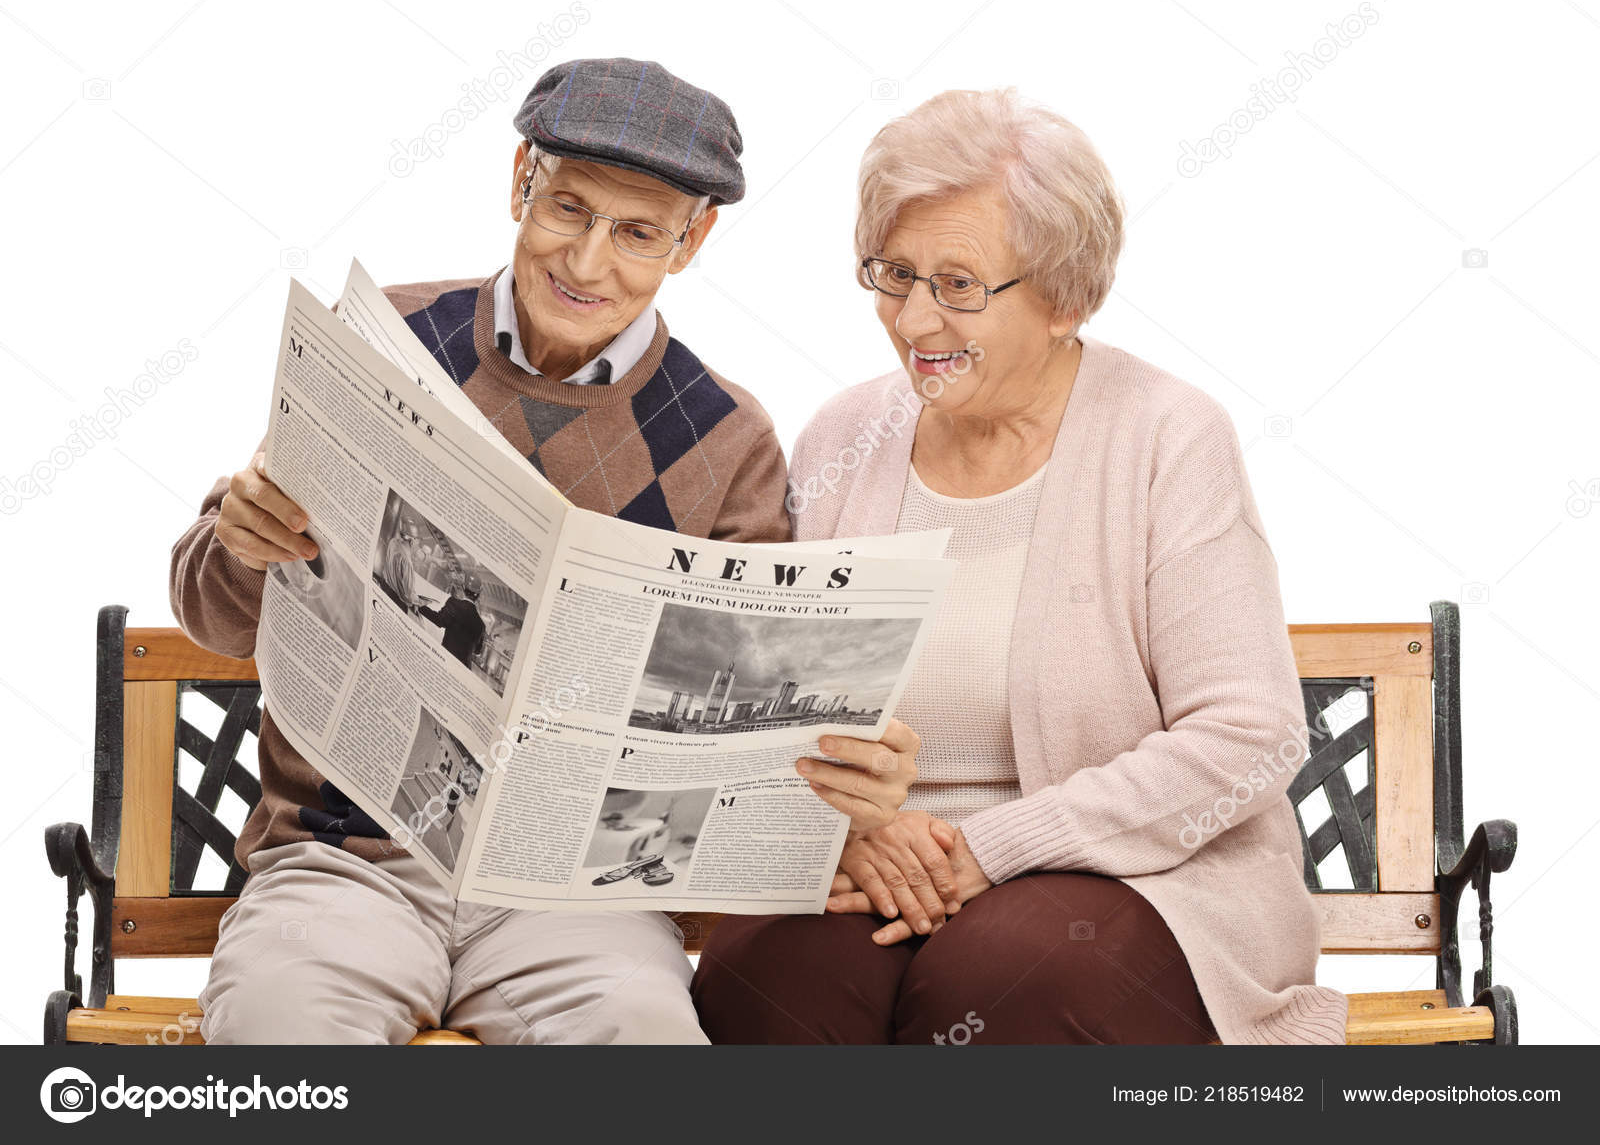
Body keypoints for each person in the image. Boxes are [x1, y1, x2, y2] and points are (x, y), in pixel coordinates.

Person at [170, 57, 920, 1045]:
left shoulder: (728, 435)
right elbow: (219, 617)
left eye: (638, 232)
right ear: (520, 179)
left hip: (572, 893)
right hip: (347, 861)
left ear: (691, 242)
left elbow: (742, 738)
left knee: (645, 1036)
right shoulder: (383, 340)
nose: (588, 262)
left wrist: (839, 775)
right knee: (282, 1030)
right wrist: (238, 537)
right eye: (568, 209)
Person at [692, 87, 1348, 1046]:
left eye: (959, 284)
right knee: (764, 975)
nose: (915, 321)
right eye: (894, 273)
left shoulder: (1167, 437)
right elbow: (790, 711)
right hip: (876, 865)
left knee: (1006, 979)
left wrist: (987, 851)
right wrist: (860, 832)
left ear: (1066, 298)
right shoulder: (846, 433)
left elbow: (1248, 734)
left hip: (1138, 880)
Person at [416, 572, 487, 669]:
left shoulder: (454, 604)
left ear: (463, 587)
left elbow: (439, 620)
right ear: (478, 595)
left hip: (445, 663)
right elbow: (477, 651)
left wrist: (420, 606)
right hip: (464, 670)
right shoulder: (482, 626)